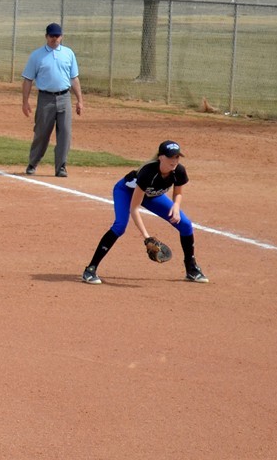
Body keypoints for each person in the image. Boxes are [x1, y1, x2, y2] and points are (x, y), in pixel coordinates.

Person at [81, 140, 207, 285]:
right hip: (126, 192)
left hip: (152, 195)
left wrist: (176, 207)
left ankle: (191, 269)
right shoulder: (148, 173)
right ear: (161, 157)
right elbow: (134, 208)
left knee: (185, 224)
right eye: (170, 157)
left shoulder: (179, 171)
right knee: (120, 226)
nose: (174, 161)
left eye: (177, 157)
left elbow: (178, 193)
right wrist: (147, 237)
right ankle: (90, 269)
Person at [20, 22, 83, 178]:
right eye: (52, 36)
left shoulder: (68, 53)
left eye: (58, 36)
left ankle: (61, 167)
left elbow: (74, 78)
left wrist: (79, 100)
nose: (55, 39)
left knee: (65, 134)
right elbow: (28, 79)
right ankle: (33, 163)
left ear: (61, 37)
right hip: (45, 98)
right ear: (46, 37)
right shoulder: (37, 55)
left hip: (65, 97)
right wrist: (25, 101)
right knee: (42, 133)